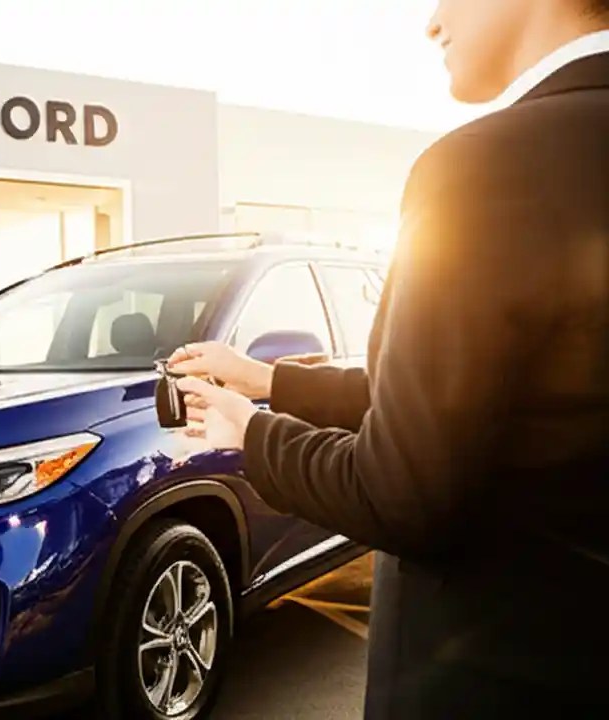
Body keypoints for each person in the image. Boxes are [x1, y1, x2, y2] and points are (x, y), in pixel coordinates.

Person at [169, 1, 609, 718]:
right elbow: (481, 395)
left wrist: (252, 432)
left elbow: (401, 494)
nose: (432, 23)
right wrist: (275, 381)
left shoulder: (483, 166)